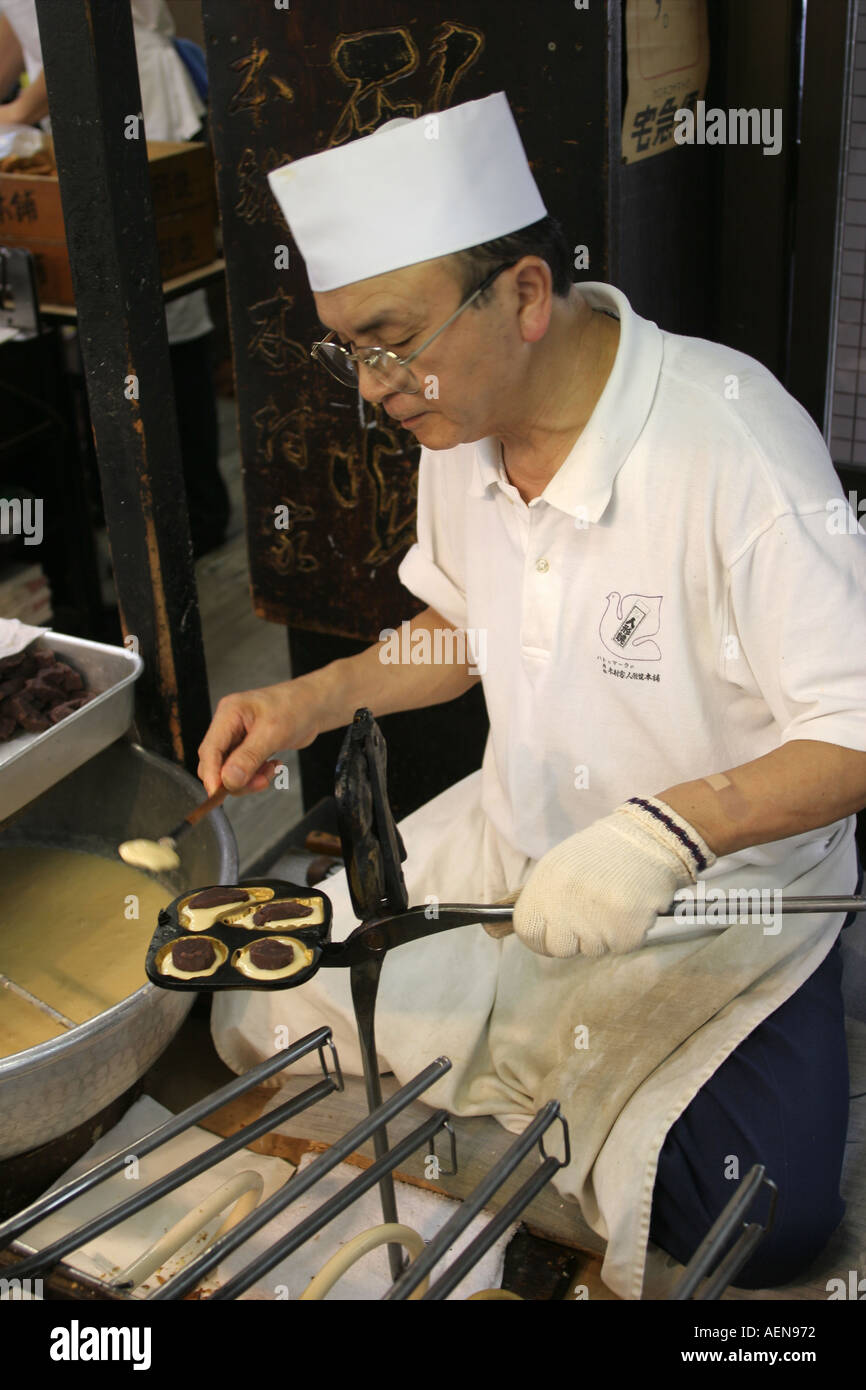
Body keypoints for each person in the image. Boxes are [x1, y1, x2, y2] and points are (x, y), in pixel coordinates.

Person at [196, 93, 866, 1298]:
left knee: (771, 1214)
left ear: (519, 292)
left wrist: (666, 830)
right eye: (350, 347)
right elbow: (463, 628)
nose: (374, 385)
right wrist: (307, 701)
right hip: (515, 845)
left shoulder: (730, 443)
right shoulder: (459, 427)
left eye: (391, 338)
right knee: (257, 1008)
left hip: (714, 891)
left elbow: (854, 727)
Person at [0, 0, 229, 556]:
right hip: (64, 121)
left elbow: (85, 40)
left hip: (137, 106)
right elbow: (13, 40)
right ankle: (125, 501)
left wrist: (15, 117)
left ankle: (196, 506)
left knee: (163, 315)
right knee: (96, 319)